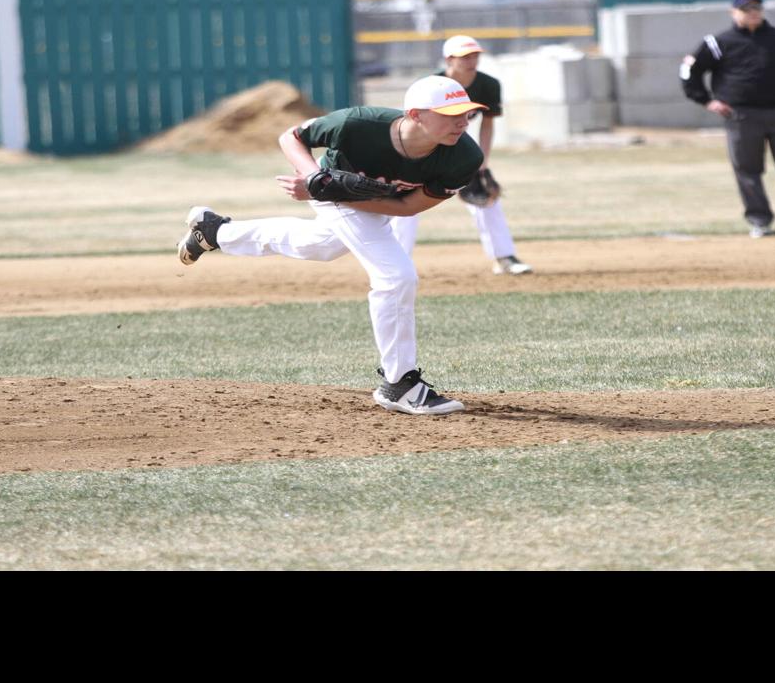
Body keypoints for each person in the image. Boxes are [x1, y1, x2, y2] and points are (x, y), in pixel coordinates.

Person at [173, 75, 488, 416]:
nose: (462, 120)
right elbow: (291, 137)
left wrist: (343, 195)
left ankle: (216, 232)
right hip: (329, 184)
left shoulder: (463, 157)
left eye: (467, 112)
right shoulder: (358, 123)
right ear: (415, 115)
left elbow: (407, 208)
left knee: (320, 245)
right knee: (396, 277)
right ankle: (400, 384)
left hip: (366, 202)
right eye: (450, 112)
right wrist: (315, 180)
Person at [681, 0, 775, 239]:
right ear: (734, 12)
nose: (752, 13)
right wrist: (707, 100)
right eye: (746, 9)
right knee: (748, 171)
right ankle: (760, 220)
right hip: (741, 116)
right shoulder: (718, 43)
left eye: (756, 8)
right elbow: (689, 72)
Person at [387, 35, 533, 276]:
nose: (471, 60)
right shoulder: (430, 85)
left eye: (475, 55)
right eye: (464, 56)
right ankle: (395, 264)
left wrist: (483, 162)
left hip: (457, 147)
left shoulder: (488, 85)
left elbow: (487, 124)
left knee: (485, 198)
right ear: (448, 59)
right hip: (423, 150)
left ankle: (504, 257)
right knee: (407, 204)